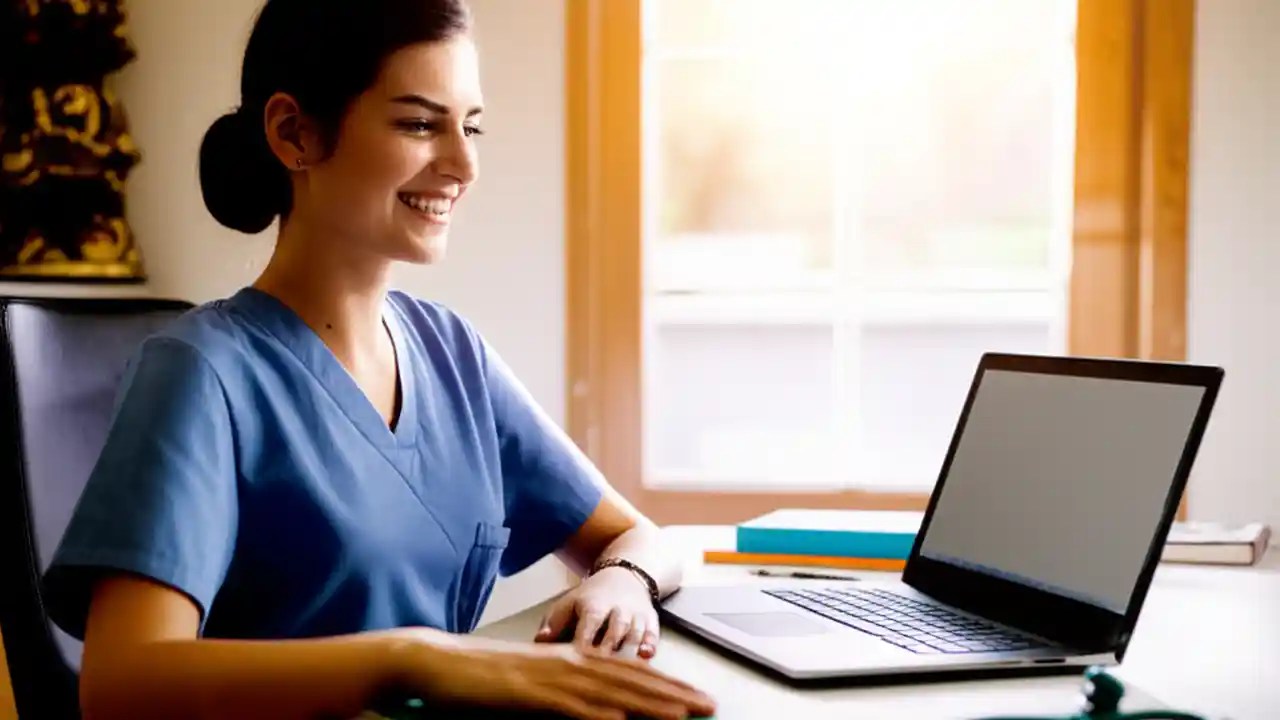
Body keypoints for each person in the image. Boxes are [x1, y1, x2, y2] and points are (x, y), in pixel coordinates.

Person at [40, 1, 717, 719]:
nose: (463, 164)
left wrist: (623, 579)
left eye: (471, 126)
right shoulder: (199, 372)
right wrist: (410, 658)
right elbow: (121, 684)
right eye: (420, 124)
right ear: (294, 133)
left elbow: (638, 536)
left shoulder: (454, 355)